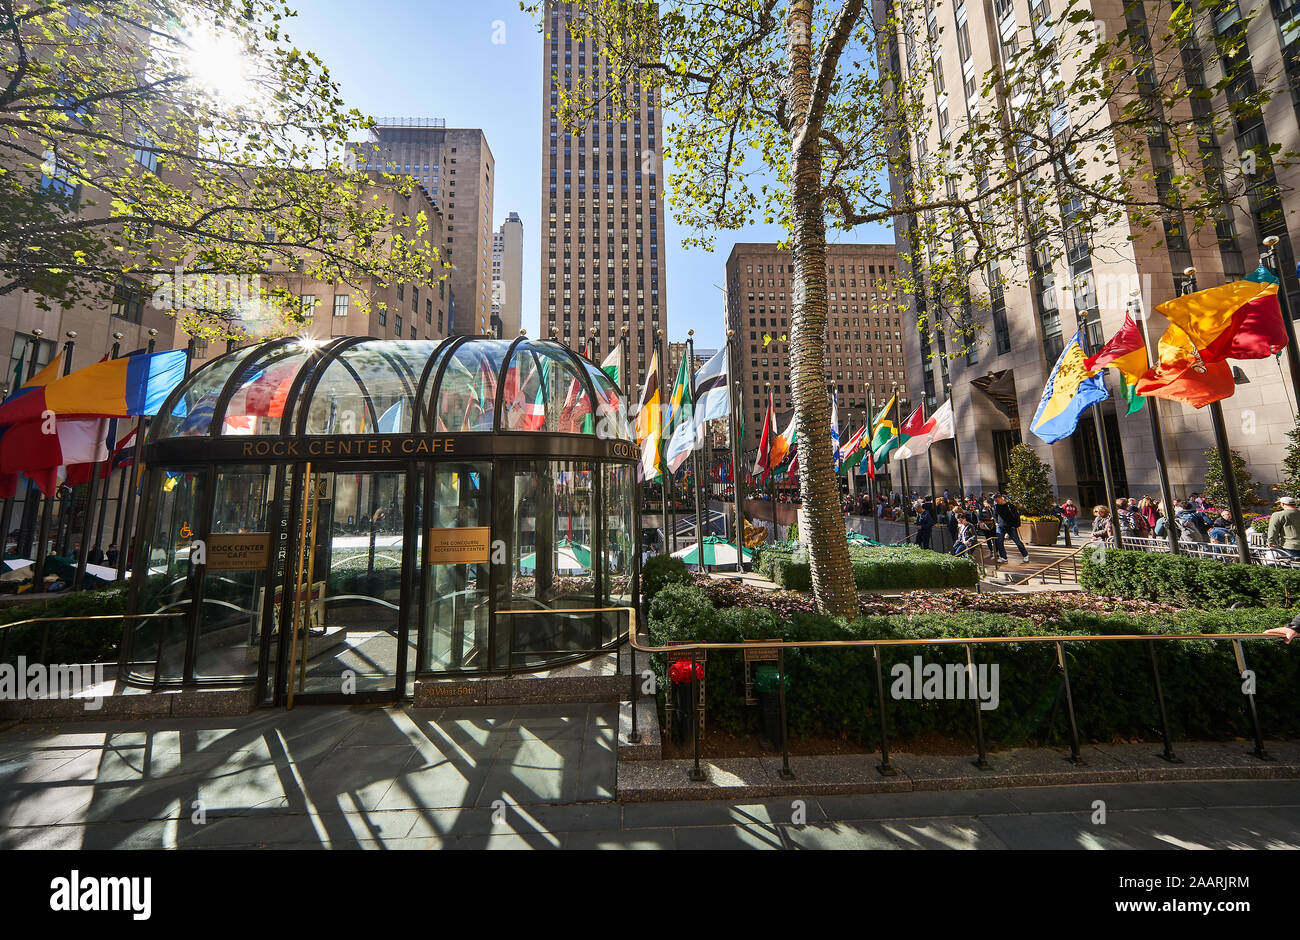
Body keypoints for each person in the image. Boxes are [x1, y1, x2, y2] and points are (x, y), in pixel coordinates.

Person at [992, 494, 1030, 563]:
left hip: (1011, 526)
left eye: (997, 500)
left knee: (1017, 541)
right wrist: (997, 523)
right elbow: (995, 515)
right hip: (1000, 526)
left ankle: (1025, 555)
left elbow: (1016, 516)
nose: (997, 502)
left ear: (1001, 498)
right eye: (995, 501)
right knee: (999, 542)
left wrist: (1014, 525)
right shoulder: (996, 507)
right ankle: (1003, 557)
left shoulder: (1010, 506)